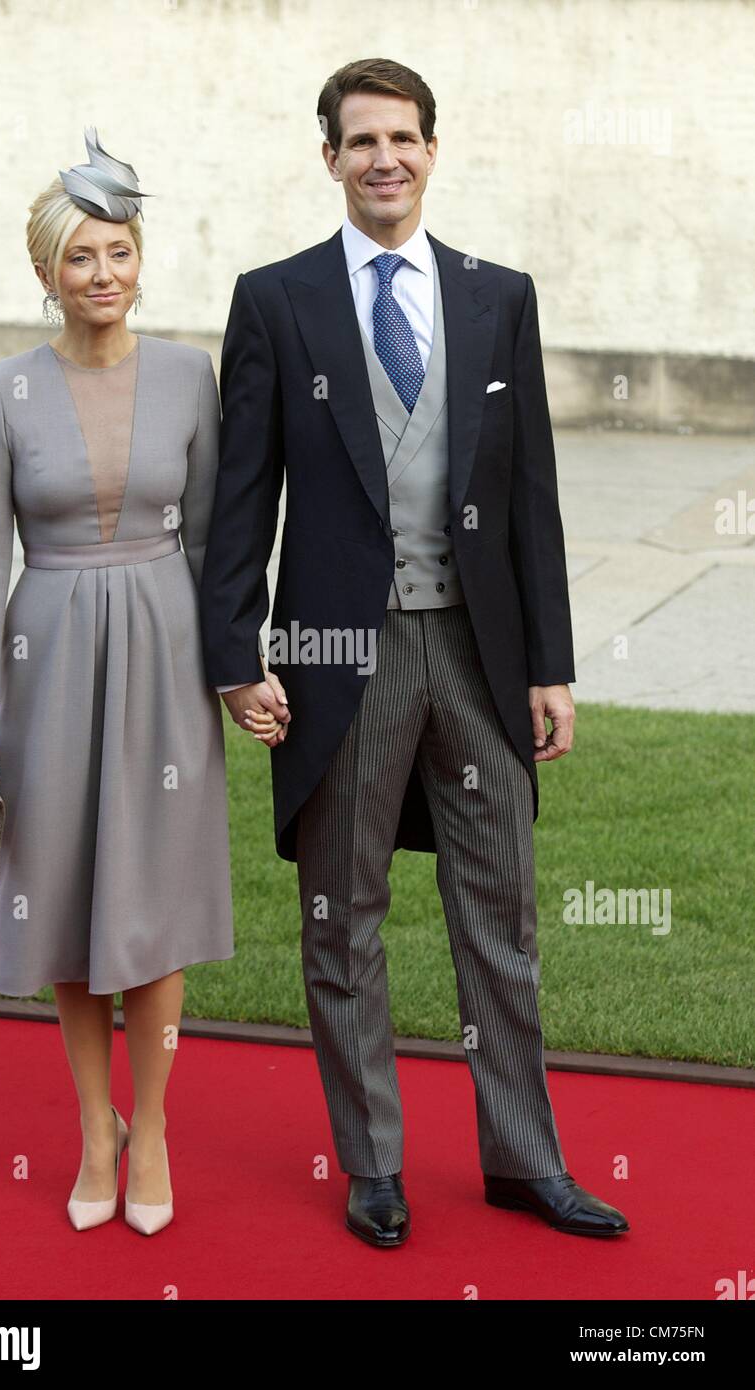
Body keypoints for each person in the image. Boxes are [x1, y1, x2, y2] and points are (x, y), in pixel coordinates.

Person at [200, 60, 628, 1246]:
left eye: (401, 137)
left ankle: (521, 1158)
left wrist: (550, 662)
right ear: (327, 157)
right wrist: (238, 653)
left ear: (431, 151)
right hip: (342, 655)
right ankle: (374, 1163)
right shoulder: (276, 301)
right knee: (344, 914)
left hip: (480, 655)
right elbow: (243, 499)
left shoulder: (499, 297)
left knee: (500, 911)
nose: (381, 157)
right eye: (359, 140)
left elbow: (529, 491)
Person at [0, 127, 282, 1237]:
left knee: (154, 904)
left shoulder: (192, 373)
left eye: (120, 252)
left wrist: (234, 672)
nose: (104, 275)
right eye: (81, 257)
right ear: (46, 272)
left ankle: (157, 1125)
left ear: (143, 259)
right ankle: (94, 1127)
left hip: (165, 656)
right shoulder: (0, 390)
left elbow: (219, 548)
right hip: (45, 661)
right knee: (66, 898)